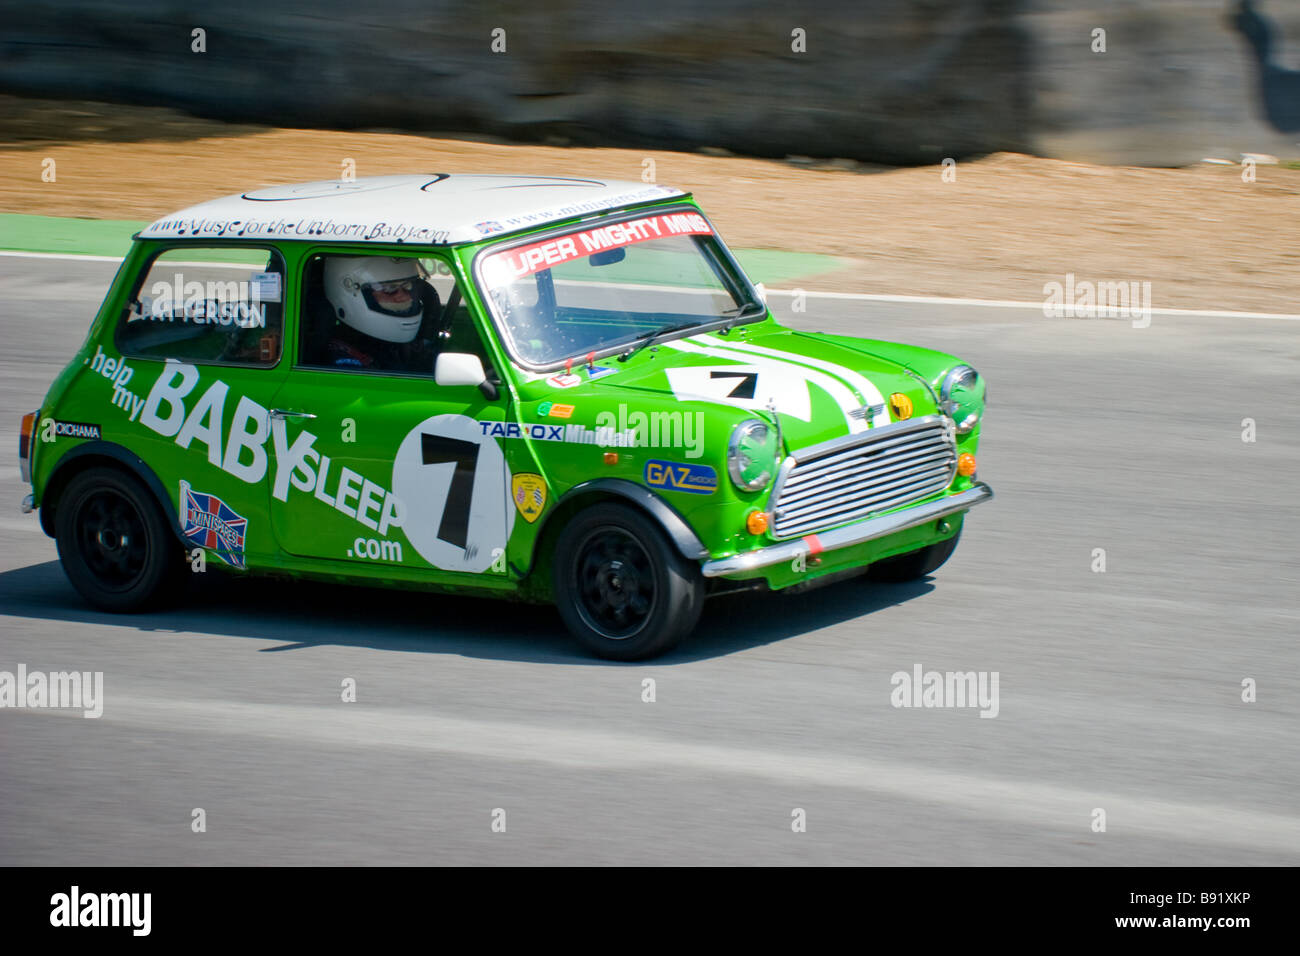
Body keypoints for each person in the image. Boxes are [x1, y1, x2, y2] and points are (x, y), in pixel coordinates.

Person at [317, 256, 439, 373]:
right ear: (351, 292)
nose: (404, 297)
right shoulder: (343, 361)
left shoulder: (397, 344)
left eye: (407, 286)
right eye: (389, 289)